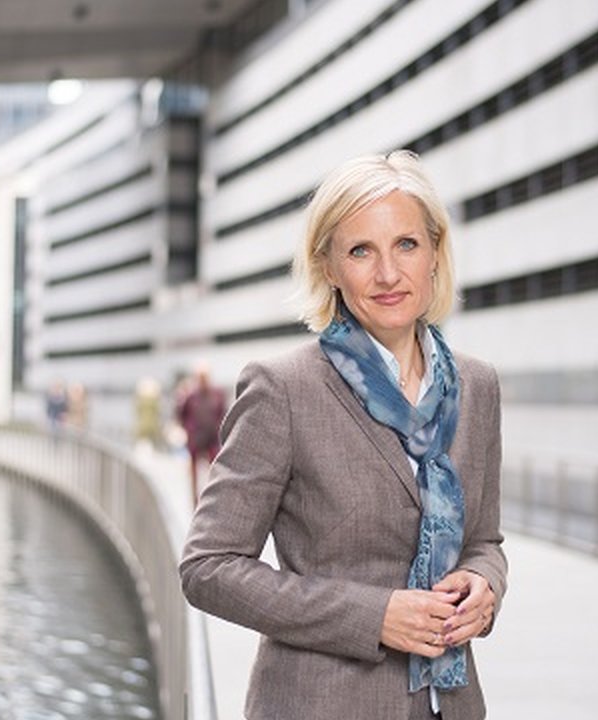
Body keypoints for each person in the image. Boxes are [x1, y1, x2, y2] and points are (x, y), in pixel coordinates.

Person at [180, 150, 506, 719]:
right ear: (328, 266)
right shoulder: (284, 389)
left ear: (434, 252)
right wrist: (373, 617)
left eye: (407, 244)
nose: (388, 274)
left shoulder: (476, 386)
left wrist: (485, 583)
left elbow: (485, 541)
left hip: (450, 706)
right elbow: (208, 567)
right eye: (361, 251)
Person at [175, 364, 227, 503]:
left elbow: (223, 413)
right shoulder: (189, 396)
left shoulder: (217, 394)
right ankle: (195, 501)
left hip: (212, 438)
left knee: (215, 469)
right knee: (193, 473)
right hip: (195, 439)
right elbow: (181, 414)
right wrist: (187, 430)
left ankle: (215, 498)